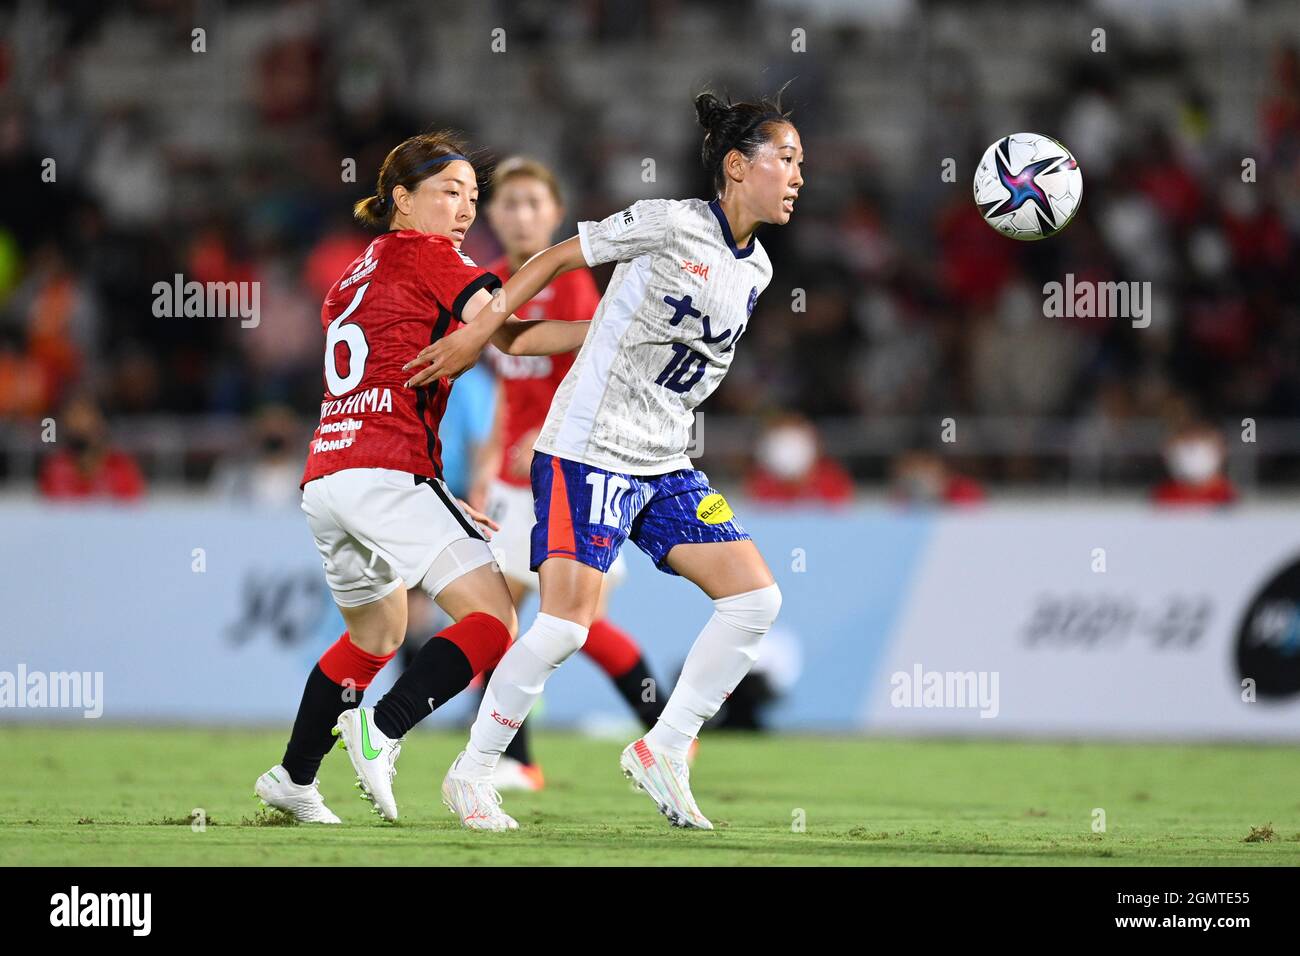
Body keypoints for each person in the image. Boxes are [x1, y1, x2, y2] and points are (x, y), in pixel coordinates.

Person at [406, 88, 800, 830]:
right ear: (740, 166)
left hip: (666, 462)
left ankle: (665, 747)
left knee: (756, 600)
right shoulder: (668, 223)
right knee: (563, 629)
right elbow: (558, 257)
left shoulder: (760, 271)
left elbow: (653, 352)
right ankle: (474, 771)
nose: (798, 174)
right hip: (587, 450)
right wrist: (482, 329)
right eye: (787, 159)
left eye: (800, 161)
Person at [254, 131, 589, 824]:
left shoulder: (355, 269)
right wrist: (609, 329)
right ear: (402, 200)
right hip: (384, 469)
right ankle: (384, 727)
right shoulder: (435, 257)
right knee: (494, 619)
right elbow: (515, 337)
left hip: (327, 477)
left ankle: (293, 776)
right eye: (448, 193)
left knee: (376, 634)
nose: (465, 210)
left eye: (472, 196)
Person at [474, 156, 669, 791]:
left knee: (576, 626)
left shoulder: (575, 283)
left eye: (534, 202)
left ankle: (667, 731)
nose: (521, 214)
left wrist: (546, 433)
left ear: (555, 213)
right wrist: (488, 458)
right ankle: (516, 760)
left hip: (574, 468)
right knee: (490, 618)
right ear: (493, 214)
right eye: (510, 203)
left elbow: (599, 365)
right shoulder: (497, 282)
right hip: (512, 482)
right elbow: (508, 383)